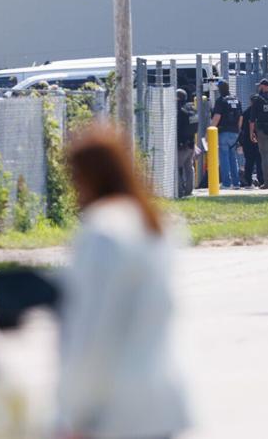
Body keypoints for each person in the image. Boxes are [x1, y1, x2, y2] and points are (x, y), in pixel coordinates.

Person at [59, 125, 189, 439]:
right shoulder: (156, 225)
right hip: (162, 395)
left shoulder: (103, 232)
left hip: (118, 407)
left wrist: (74, 412)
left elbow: (94, 331)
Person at [210, 81, 243, 190]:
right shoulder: (236, 99)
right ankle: (236, 183)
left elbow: (217, 117)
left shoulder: (221, 101)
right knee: (233, 158)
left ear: (220, 89)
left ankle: (226, 183)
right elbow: (240, 117)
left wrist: (209, 131)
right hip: (234, 132)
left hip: (223, 132)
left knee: (224, 158)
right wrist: (238, 130)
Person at [175, 89, 198, 197]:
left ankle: (179, 190)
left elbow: (178, 128)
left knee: (177, 168)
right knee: (189, 167)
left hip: (181, 145)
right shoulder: (192, 108)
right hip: (191, 143)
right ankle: (189, 190)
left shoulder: (180, 110)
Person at [240, 112, 262, 188]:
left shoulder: (246, 113)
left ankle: (248, 181)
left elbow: (241, 128)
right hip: (259, 140)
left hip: (247, 141)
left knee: (249, 162)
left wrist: (241, 142)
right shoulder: (260, 112)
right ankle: (262, 181)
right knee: (260, 161)